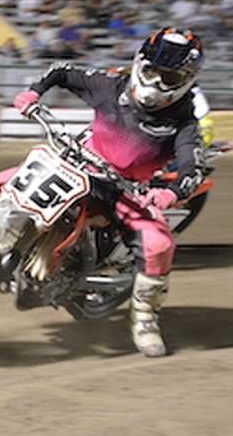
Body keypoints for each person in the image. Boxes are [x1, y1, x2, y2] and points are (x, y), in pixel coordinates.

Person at [11, 28, 208, 358]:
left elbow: (193, 168)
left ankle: (145, 319)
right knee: (8, 180)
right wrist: (33, 93)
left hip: (124, 189)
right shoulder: (110, 86)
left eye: (169, 78)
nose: (157, 84)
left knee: (159, 243)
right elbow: (60, 71)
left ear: (186, 80)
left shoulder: (184, 123)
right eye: (151, 72)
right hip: (74, 162)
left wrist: (168, 194)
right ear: (138, 64)